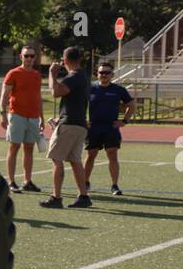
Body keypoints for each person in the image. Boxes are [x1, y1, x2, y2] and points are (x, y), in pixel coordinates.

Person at [38, 47, 91, 209]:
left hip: (69, 124)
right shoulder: (83, 76)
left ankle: (56, 197)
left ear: (65, 60)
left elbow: (56, 92)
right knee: (75, 161)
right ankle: (83, 196)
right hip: (79, 123)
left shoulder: (75, 76)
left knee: (56, 158)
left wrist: (52, 74)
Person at [83, 61, 134, 195]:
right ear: (97, 74)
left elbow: (131, 105)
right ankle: (85, 182)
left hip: (110, 128)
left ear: (112, 74)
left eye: (107, 72)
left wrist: (124, 121)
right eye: (101, 72)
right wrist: (84, 120)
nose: (104, 75)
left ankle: (114, 185)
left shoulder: (119, 90)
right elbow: (79, 103)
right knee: (90, 155)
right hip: (93, 128)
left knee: (112, 155)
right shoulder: (91, 88)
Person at [0, 45, 44, 193]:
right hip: (17, 115)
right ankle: (11, 181)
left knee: (29, 148)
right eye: (26, 56)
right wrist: (2, 114)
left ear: (35, 58)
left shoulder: (37, 74)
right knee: (14, 147)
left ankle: (27, 181)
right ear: (21, 57)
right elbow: (4, 95)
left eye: (32, 56)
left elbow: (38, 97)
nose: (29, 59)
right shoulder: (13, 73)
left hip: (33, 117)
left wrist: (42, 117)